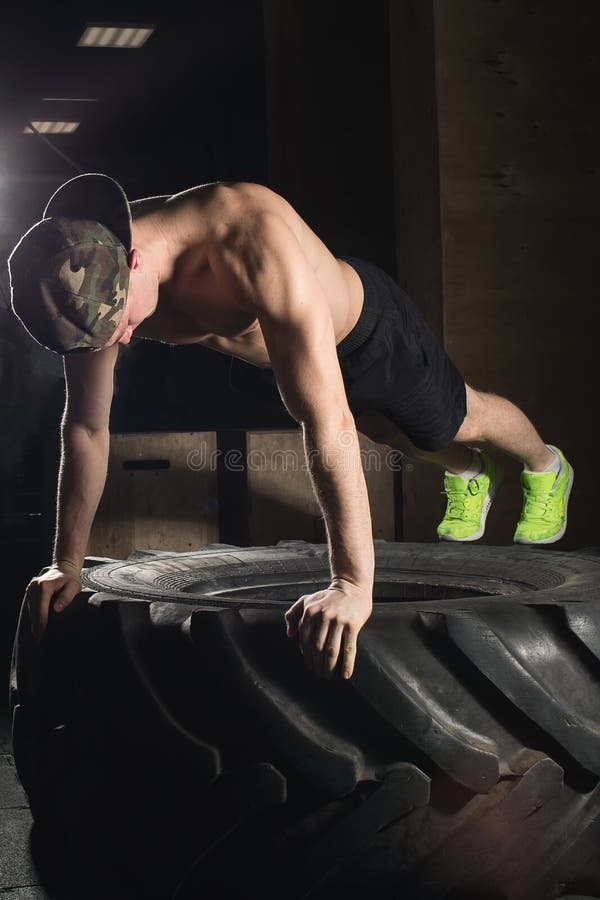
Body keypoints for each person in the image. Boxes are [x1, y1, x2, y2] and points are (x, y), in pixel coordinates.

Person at [8, 174, 573, 679]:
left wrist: (351, 585)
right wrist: (67, 562)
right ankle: (471, 474)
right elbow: (85, 427)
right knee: (400, 437)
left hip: (367, 336)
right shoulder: (83, 278)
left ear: (134, 262)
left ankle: (544, 465)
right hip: (289, 355)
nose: (125, 338)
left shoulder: (246, 234)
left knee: (457, 419)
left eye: (126, 323)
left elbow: (327, 421)